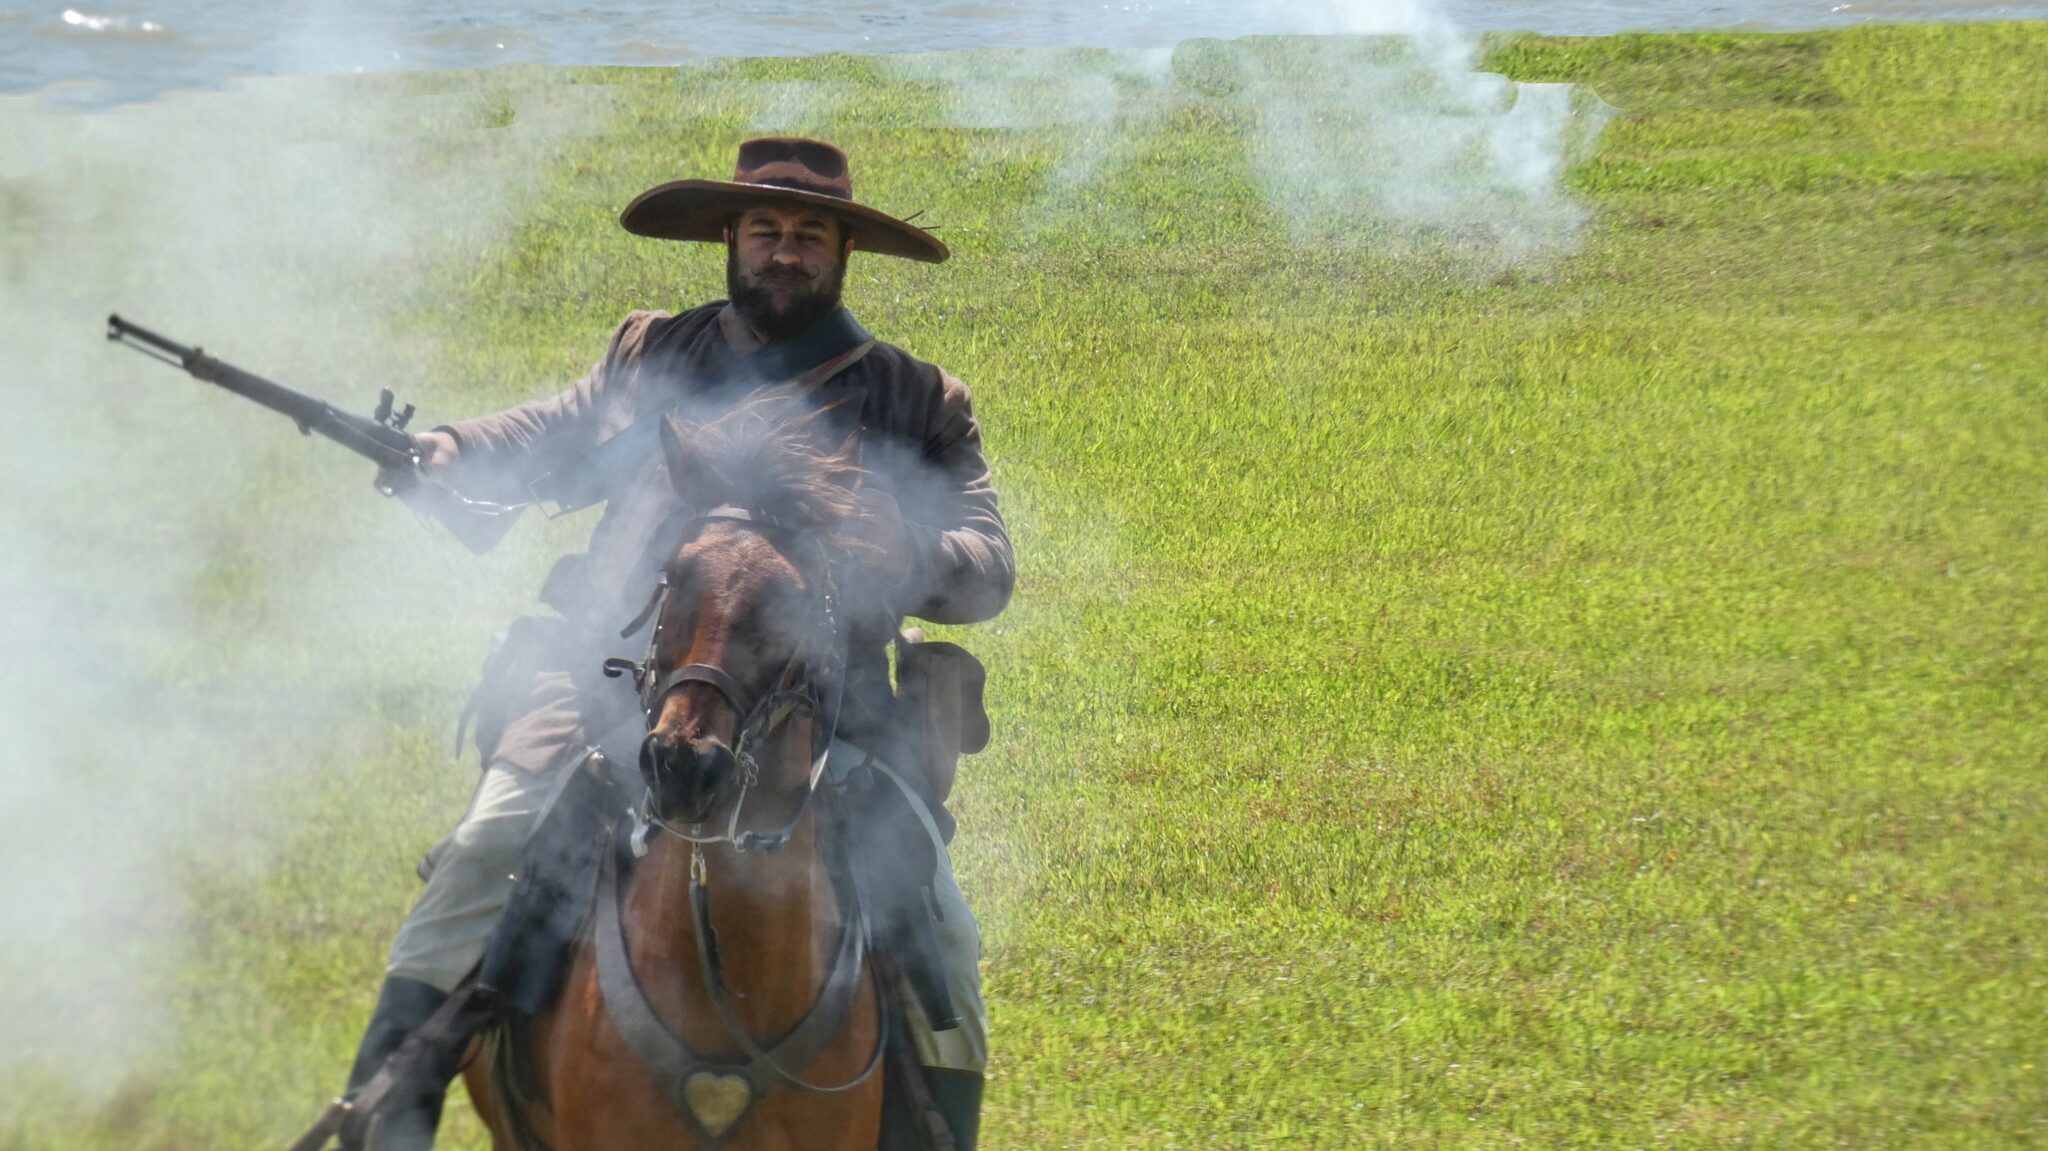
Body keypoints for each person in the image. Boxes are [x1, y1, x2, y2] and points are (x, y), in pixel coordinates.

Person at [342, 136, 1013, 1149]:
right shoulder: (651, 353)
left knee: (939, 927)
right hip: (609, 683)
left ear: (840, 252)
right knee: (487, 845)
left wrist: (906, 547)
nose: (783, 252)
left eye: (807, 235)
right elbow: (541, 434)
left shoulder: (917, 397)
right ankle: (387, 1106)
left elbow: (986, 561)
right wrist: (443, 447)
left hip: (821, 707)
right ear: (731, 240)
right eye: (765, 230)